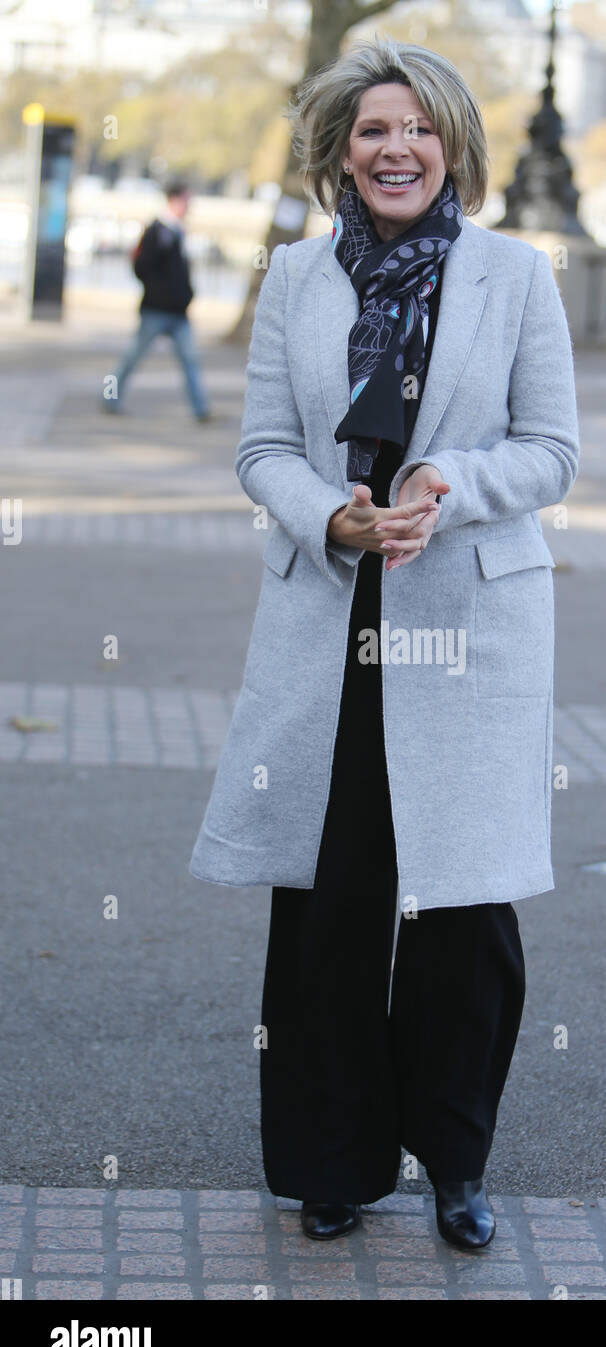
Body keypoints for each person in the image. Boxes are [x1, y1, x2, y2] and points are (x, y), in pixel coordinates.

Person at [188, 38, 580, 1250]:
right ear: (338, 154)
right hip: (331, 614)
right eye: (371, 131)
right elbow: (260, 450)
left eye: (416, 129)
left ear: (452, 146)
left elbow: (552, 452)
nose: (394, 148)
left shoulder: (515, 275)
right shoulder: (298, 279)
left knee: (464, 917)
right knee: (327, 897)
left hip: (467, 620)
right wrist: (332, 513)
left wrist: (446, 480)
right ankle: (333, 1161)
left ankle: (454, 1164)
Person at [103, 179, 212, 421]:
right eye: (186, 201)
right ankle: (110, 398)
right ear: (174, 201)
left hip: (178, 311)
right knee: (134, 356)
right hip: (157, 310)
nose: (189, 206)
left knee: (190, 360)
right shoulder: (157, 231)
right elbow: (141, 266)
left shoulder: (176, 231)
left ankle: (200, 409)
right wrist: (159, 291)